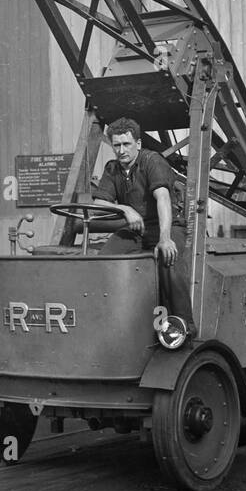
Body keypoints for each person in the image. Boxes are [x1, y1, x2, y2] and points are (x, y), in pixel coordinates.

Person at [91, 117, 197, 338]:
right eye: (116, 145)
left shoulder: (152, 161)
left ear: (137, 144)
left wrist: (165, 237)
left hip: (165, 224)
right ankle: (113, 320)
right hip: (137, 229)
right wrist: (125, 210)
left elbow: (163, 198)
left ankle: (183, 326)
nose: (121, 150)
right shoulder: (112, 169)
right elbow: (98, 204)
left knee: (169, 258)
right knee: (103, 260)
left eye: (126, 144)